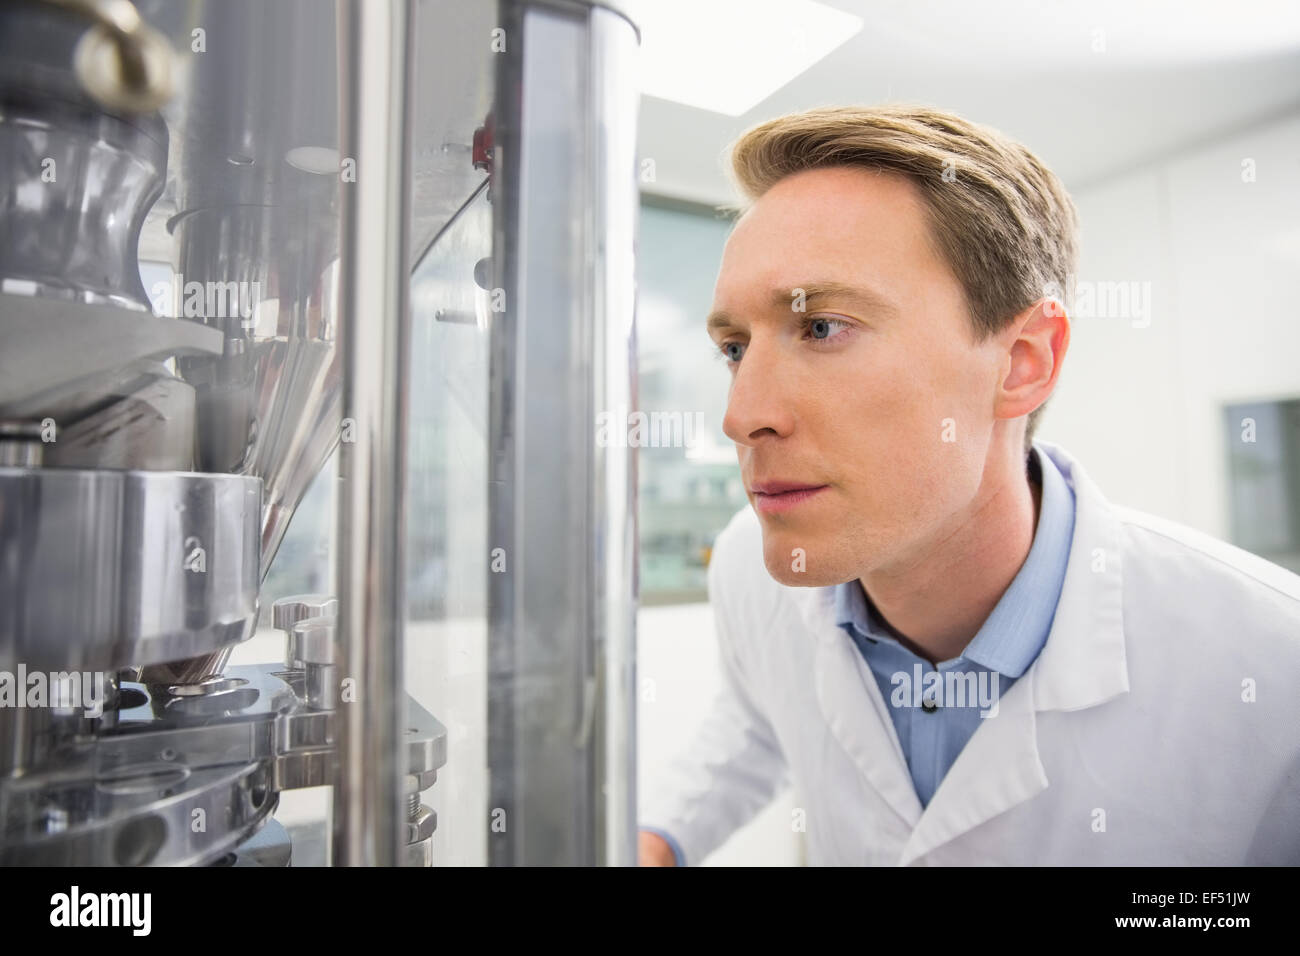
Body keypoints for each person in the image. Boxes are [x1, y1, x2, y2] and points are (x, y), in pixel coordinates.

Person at [637, 105, 1300, 866]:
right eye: (734, 346)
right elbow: (756, 722)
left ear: (1022, 361)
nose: (740, 415)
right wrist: (657, 838)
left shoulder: (1272, 671)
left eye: (821, 327)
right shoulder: (758, 568)